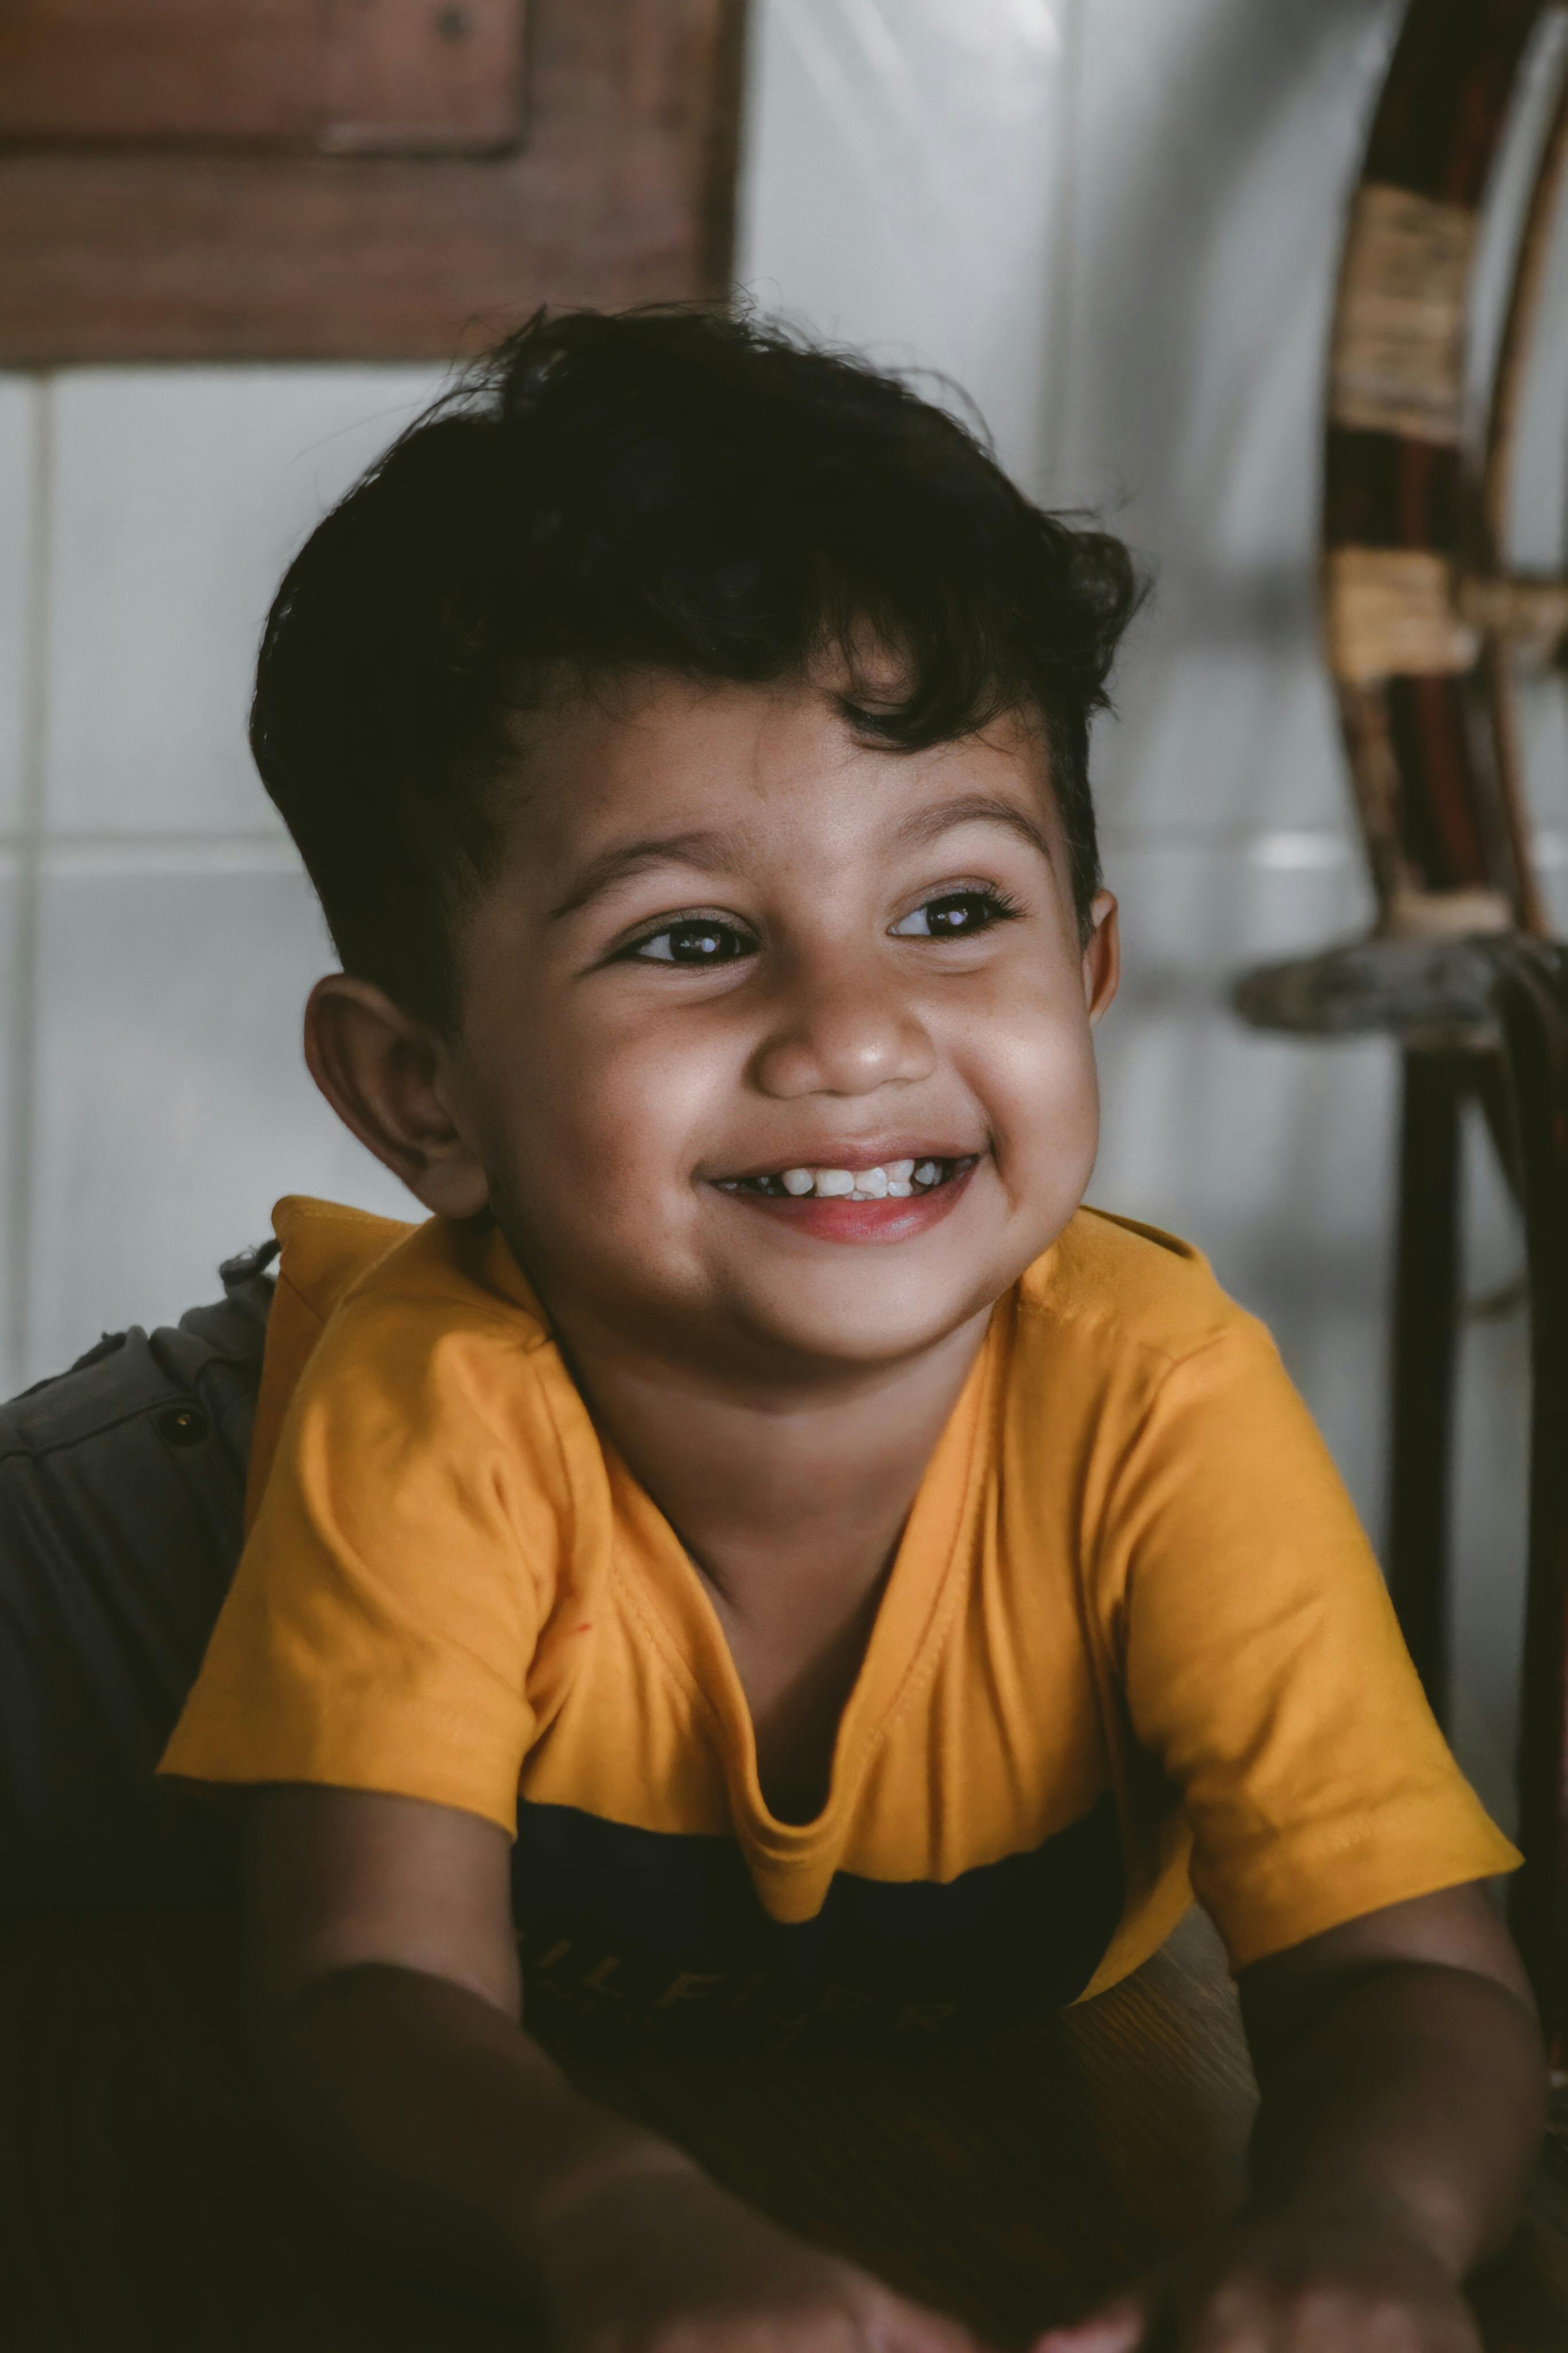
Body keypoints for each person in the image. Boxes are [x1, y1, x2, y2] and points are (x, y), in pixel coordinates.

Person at [159, 307, 1544, 2353]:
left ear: (1085, 971)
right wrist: (612, 2222)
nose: (855, 1032)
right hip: (174, 1525)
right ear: (419, 1092)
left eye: (954, 911)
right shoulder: (437, 1399)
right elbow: (365, 1998)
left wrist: (1370, 2228)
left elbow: (1410, 1975)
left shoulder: (1160, 1403)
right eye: (691, 938)